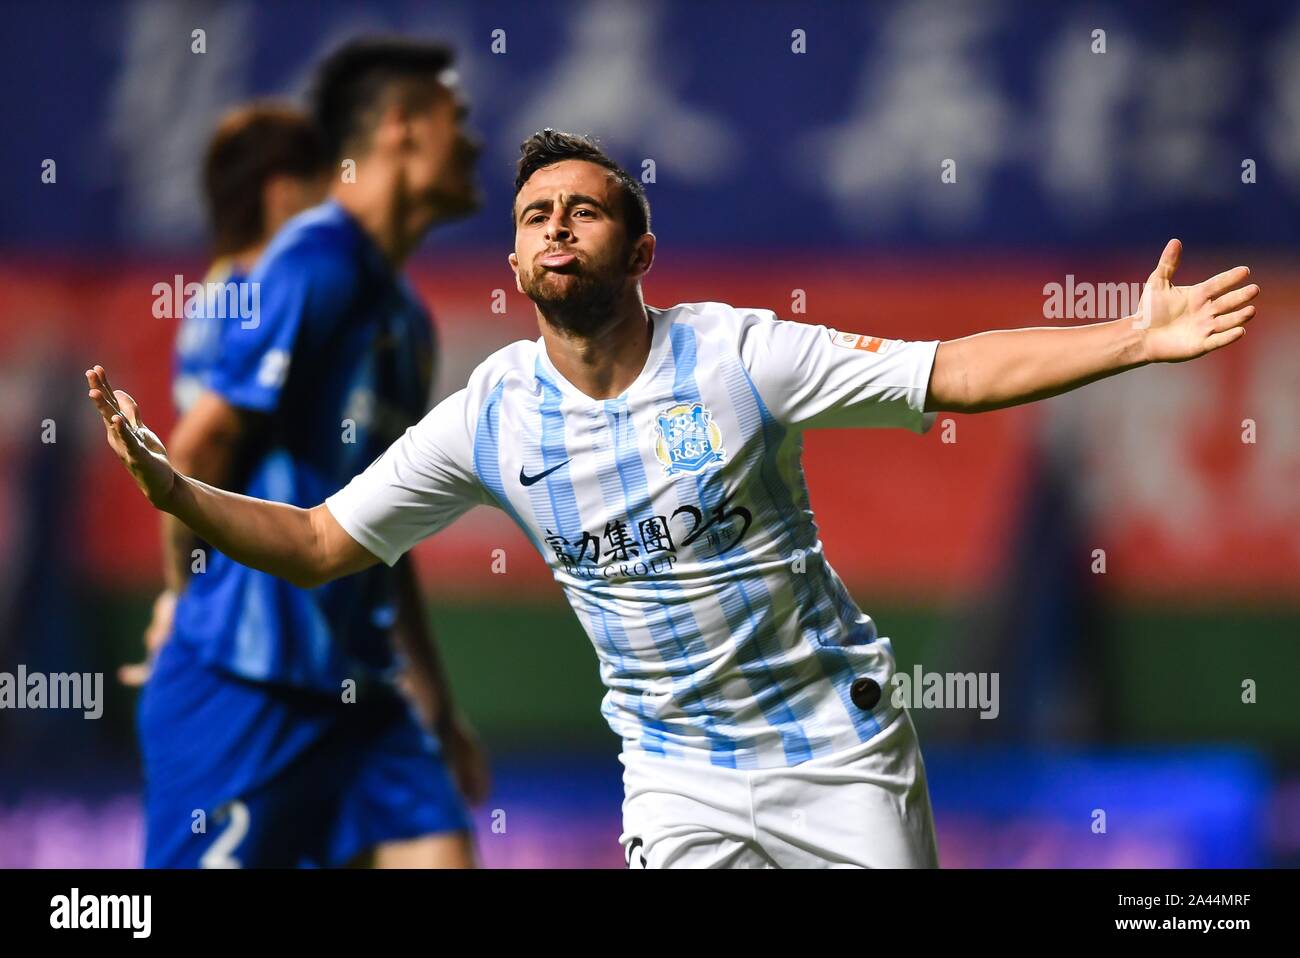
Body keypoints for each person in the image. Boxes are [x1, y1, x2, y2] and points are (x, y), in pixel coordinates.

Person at [88, 129, 1260, 868]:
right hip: (674, 773)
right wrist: (180, 490)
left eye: (583, 209)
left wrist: (1132, 339)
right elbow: (314, 540)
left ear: (641, 251)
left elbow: (948, 368)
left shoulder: (739, 356)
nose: (556, 225)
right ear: (513, 268)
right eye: (535, 215)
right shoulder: (490, 415)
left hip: (835, 752)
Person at [124, 38, 488, 869]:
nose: (472, 141)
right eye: (455, 119)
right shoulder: (312, 261)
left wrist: (432, 692)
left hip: (359, 693)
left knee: (443, 851)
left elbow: (383, 520)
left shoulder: (405, 316)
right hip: (246, 682)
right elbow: (203, 445)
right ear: (401, 125)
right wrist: (185, 598)